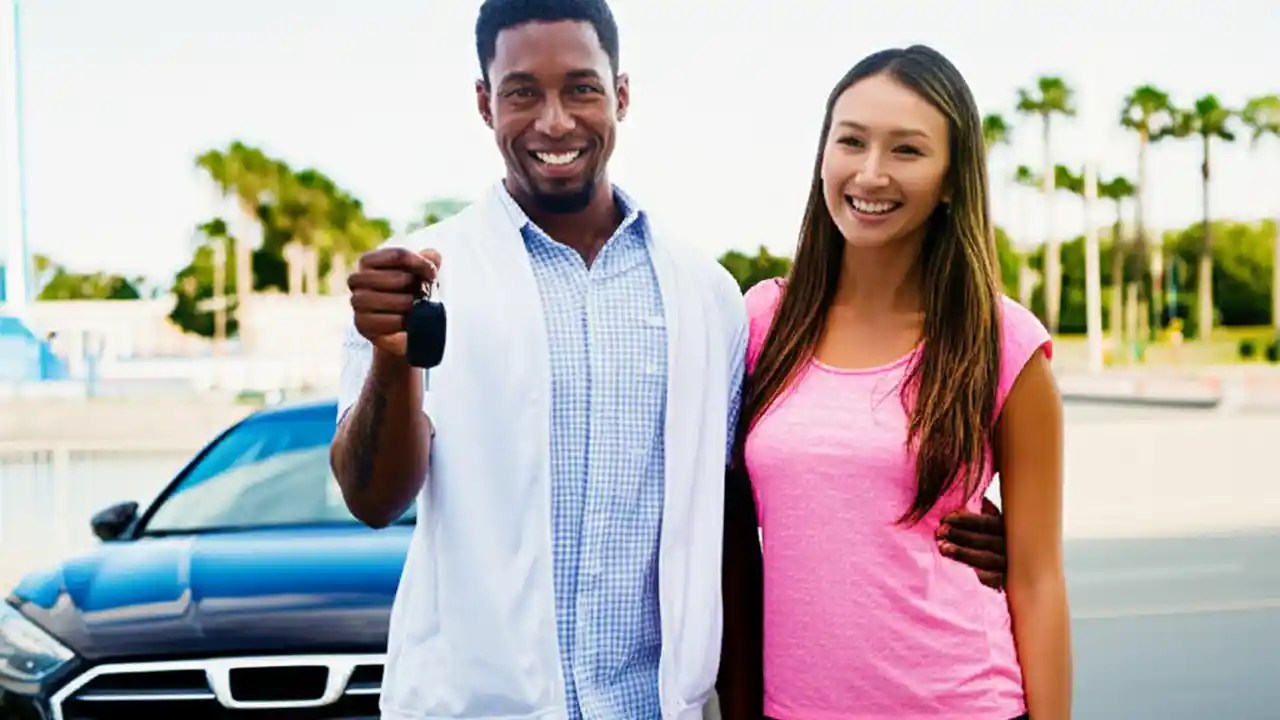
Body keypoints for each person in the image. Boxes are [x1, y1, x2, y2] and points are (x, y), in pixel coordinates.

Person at [330, 1, 1011, 717]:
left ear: (621, 95)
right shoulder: (418, 278)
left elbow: (739, 520)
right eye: (522, 91)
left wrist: (988, 531)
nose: (554, 121)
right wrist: (392, 358)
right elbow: (374, 499)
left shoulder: (706, 295)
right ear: (483, 102)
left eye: (582, 89)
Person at [721, 45, 1072, 720]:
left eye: (907, 150)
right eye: (850, 141)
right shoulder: (761, 322)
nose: (871, 173)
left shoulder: (1003, 342)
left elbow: (1036, 577)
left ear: (950, 179)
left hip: (964, 704)